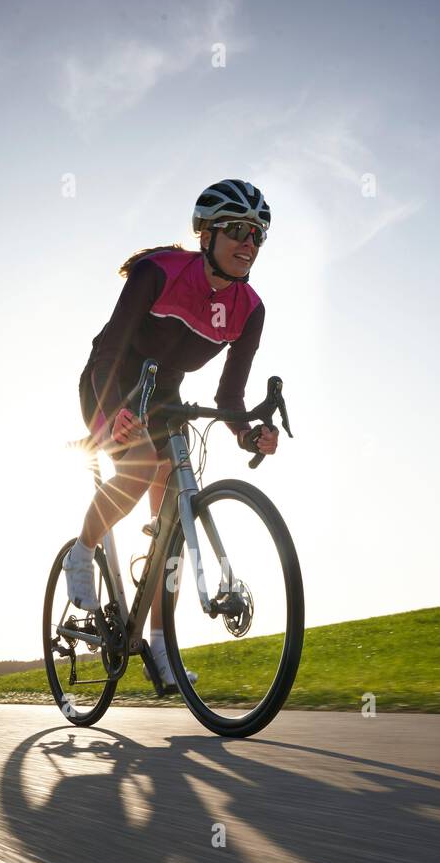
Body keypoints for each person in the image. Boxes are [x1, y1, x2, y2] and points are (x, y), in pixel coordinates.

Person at [64, 178, 280, 689]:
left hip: (165, 397)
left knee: (171, 528)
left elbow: (230, 399)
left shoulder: (251, 310)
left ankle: (162, 649)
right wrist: (111, 413)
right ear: (206, 235)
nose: (248, 244)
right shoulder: (156, 273)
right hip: (110, 378)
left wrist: (249, 435)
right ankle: (82, 551)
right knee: (137, 470)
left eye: (257, 235)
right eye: (236, 231)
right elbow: (110, 346)